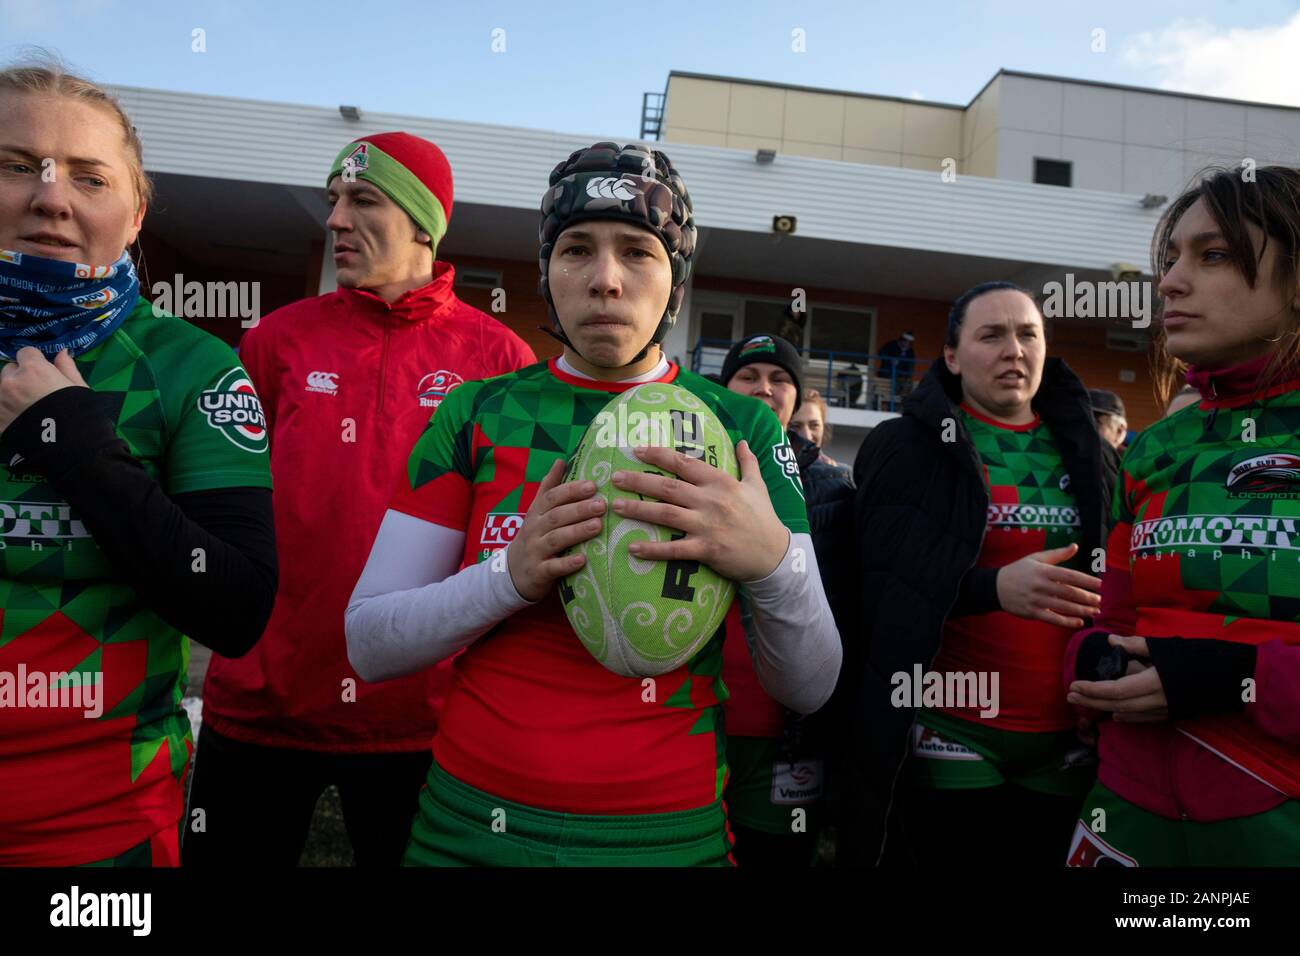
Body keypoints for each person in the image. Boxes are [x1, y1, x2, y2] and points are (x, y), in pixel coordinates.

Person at [344, 142, 841, 866]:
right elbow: (369, 646)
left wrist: (771, 567)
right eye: (576, 249)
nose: (605, 280)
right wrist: (507, 578)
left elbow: (811, 682)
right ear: (548, 272)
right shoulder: (477, 412)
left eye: (638, 252)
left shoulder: (745, 430)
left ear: (674, 279)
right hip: (467, 832)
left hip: (671, 841)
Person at [185, 133, 534, 866]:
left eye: (362, 200)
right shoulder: (277, 340)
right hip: (262, 700)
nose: (335, 220)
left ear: (423, 224)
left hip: (422, 714)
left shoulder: (500, 360)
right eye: (333, 201)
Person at [0, 61, 276, 866]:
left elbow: (237, 608)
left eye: (90, 177)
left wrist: (77, 450)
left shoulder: (192, 365)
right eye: (18, 165)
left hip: (98, 826)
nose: (52, 196)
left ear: (134, 215)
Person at [832, 281, 1115, 867]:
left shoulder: (1090, 450)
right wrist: (993, 588)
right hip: (951, 726)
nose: (1014, 349)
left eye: (1027, 334)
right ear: (953, 357)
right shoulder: (908, 445)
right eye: (991, 335)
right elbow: (879, 586)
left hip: (1066, 731)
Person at [1064, 165, 1300, 866]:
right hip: (1125, 802)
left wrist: (1233, 680)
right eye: (1170, 259)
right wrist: (1092, 666)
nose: (1169, 282)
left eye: (1214, 255)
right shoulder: (1153, 448)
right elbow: (1113, 618)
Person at [721, 336, 853, 866]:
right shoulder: (691, 465)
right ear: (724, 388)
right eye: (748, 375)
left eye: (780, 380)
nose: (764, 388)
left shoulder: (833, 487)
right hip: (695, 712)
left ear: (796, 399)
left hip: (787, 732)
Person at [790, 388, 850, 474]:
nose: (807, 436)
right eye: (795, 426)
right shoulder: (767, 473)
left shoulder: (842, 475)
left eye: (814, 425)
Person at [877, 331, 917, 403]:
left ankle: (902, 403)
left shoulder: (910, 352)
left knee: (907, 384)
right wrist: (891, 360)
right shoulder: (891, 345)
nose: (906, 344)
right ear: (902, 340)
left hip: (902, 377)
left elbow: (911, 366)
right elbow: (880, 353)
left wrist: (907, 375)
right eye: (905, 342)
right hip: (887, 374)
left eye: (909, 343)